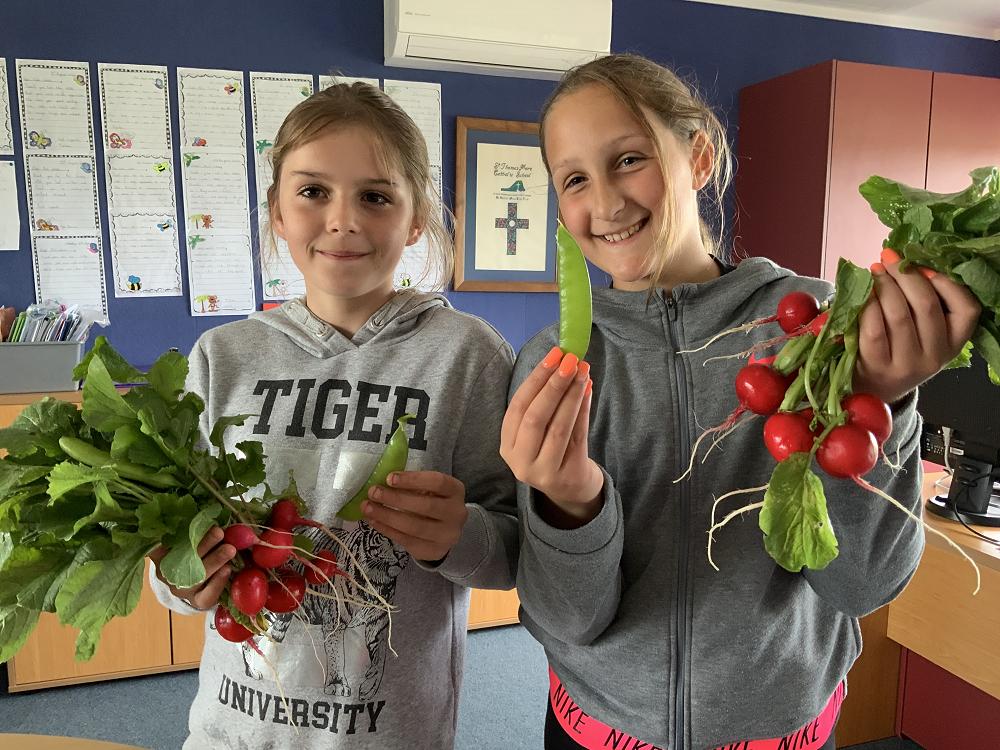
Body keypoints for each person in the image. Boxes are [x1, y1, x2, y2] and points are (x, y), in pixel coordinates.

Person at [500, 54, 981, 750]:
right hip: (599, 728)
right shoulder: (552, 365)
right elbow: (567, 617)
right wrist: (568, 505)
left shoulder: (816, 326)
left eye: (628, 159)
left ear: (698, 158)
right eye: (574, 179)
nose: (603, 202)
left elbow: (862, 585)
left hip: (777, 726)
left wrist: (882, 405)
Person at [147, 82, 518, 749]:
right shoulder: (221, 358)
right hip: (230, 733)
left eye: (374, 196)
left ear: (414, 218)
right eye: (314, 191)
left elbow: (513, 547)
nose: (343, 219)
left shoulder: (466, 356)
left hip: (390, 735)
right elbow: (172, 553)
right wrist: (182, 575)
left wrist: (455, 534)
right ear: (278, 213)